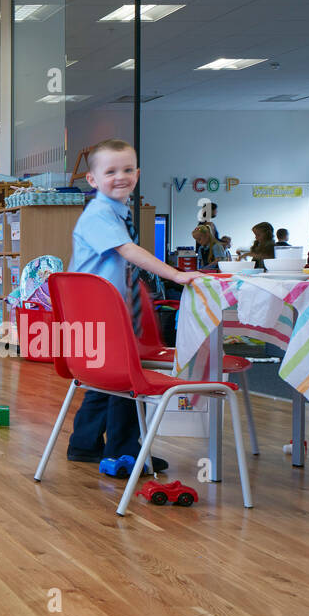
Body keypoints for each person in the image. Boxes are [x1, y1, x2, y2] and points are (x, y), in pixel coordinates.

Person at [65, 139, 203, 475]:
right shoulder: (99, 213)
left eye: (127, 170)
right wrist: (175, 274)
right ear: (93, 179)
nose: (120, 177)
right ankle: (125, 452)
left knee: (104, 378)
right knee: (127, 379)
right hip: (101, 314)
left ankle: (84, 443)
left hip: (99, 314)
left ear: (137, 174)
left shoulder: (117, 211)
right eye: (110, 171)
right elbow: (127, 251)